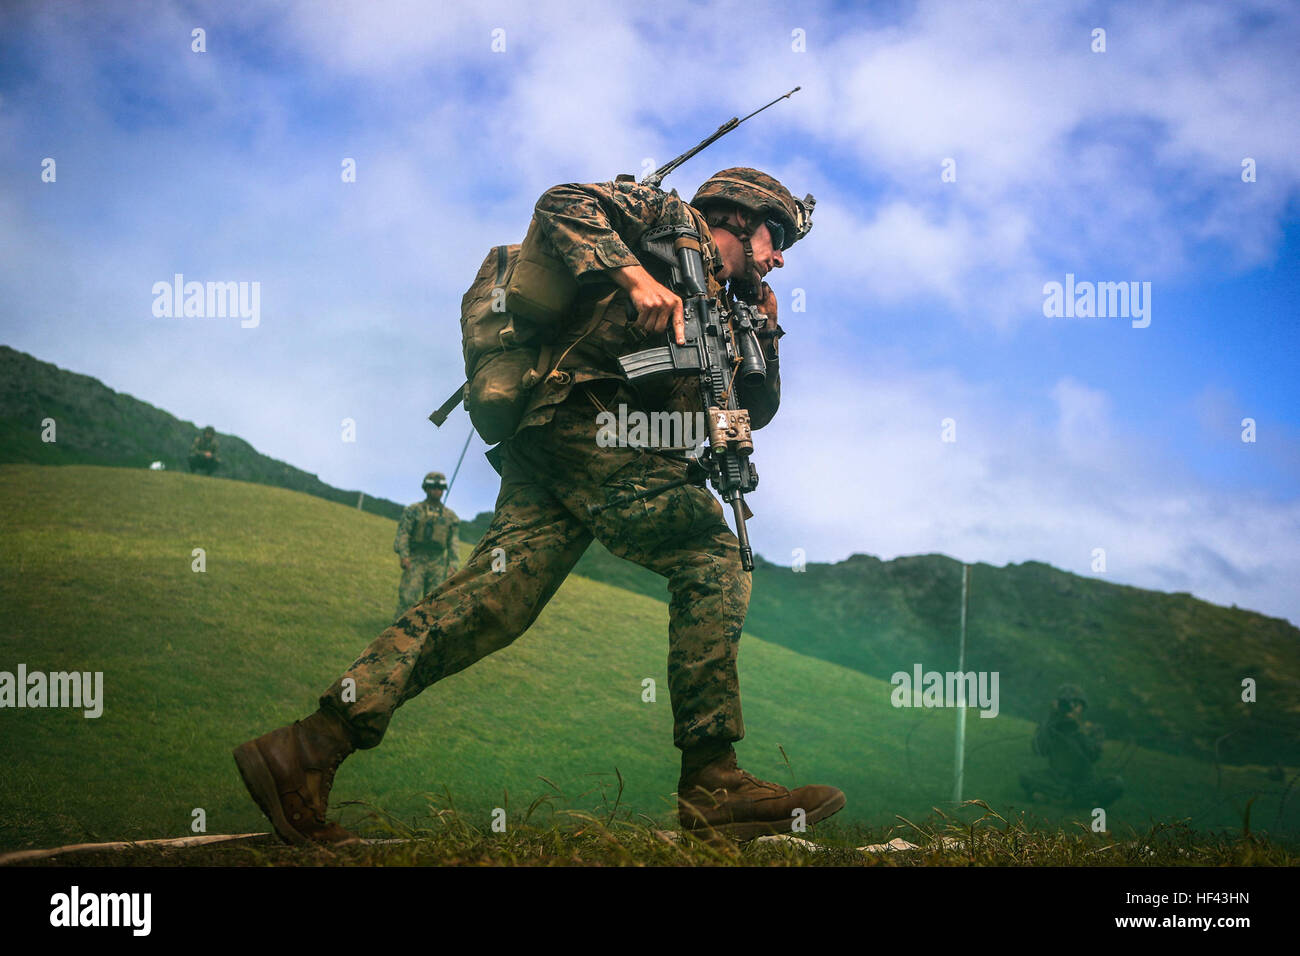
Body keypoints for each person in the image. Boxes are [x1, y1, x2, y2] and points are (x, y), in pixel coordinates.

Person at [233, 167, 844, 845]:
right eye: (777, 233)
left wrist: (764, 329)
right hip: (584, 420)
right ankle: (712, 780)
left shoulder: (733, 308)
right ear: (737, 213)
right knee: (710, 553)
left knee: (492, 603)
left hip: (574, 449)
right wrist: (633, 278)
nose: (781, 254)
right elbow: (562, 202)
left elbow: (749, 410)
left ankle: (306, 750)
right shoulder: (669, 220)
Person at [1019, 683, 1124, 808]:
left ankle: (1058, 797)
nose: (1071, 707)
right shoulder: (1052, 726)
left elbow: (1093, 755)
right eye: (1066, 703)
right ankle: (1078, 800)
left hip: (1084, 780)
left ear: (1083, 707)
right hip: (1056, 778)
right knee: (1025, 776)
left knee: (1115, 783)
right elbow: (1039, 749)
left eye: (1076, 703)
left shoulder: (1092, 729)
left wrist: (1077, 729)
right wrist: (1050, 720)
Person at [392, 471, 461, 622]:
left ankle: (425, 632)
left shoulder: (450, 517)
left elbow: (453, 542)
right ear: (426, 488)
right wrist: (404, 555)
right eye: (433, 486)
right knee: (408, 597)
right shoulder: (413, 510)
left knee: (434, 602)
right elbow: (403, 533)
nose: (437, 490)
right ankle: (397, 630)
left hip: (438, 562)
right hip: (416, 558)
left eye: (440, 487)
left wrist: (453, 564)